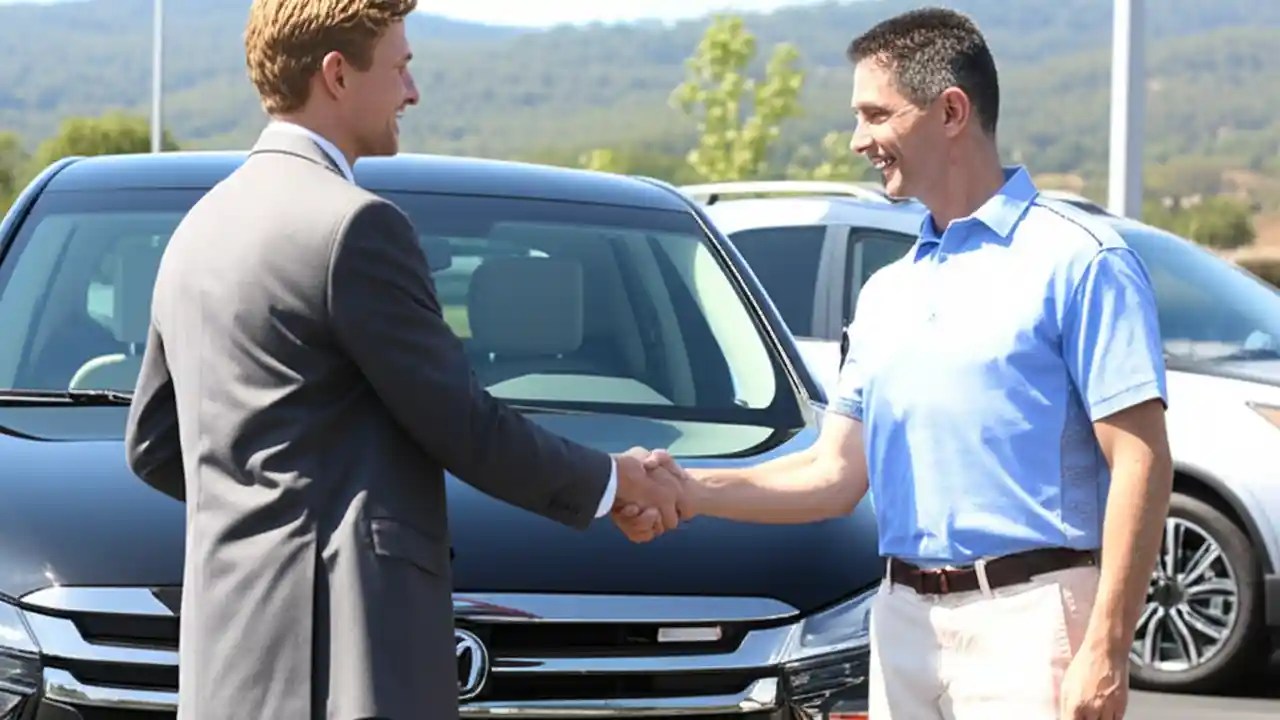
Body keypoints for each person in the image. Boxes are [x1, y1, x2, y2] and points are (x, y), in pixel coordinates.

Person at [123, 1, 679, 718]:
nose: (411, 92)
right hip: (344, 657)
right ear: (336, 75)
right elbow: (460, 422)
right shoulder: (356, 227)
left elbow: (153, 446)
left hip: (226, 657)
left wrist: (267, 525)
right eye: (400, 67)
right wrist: (612, 481)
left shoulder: (197, 228)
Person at [619, 7, 1173, 720]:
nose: (858, 141)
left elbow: (1142, 462)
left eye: (876, 115)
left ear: (950, 111)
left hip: (1032, 627)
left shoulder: (1082, 262)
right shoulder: (888, 291)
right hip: (901, 625)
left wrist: (1106, 646)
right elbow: (834, 475)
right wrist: (686, 489)